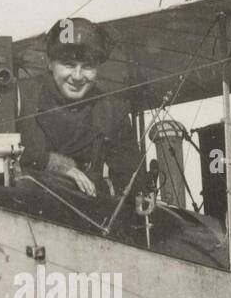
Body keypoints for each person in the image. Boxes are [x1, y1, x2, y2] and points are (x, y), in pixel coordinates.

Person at [17, 18, 142, 198]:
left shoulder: (112, 110)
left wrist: (97, 186)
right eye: (68, 65)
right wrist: (54, 164)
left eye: (87, 67)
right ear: (50, 63)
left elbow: (131, 180)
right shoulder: (21, 95)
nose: (77, 76)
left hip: (84, 214)